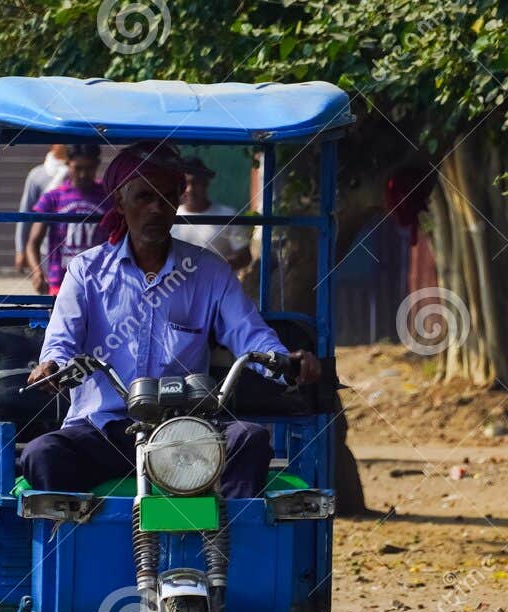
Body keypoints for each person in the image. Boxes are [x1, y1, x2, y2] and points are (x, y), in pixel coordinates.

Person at [18, 142, 320, 499]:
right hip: (103, 430)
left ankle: (230, 548)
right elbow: (61, 340)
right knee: (42, 455)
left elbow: (250, 335)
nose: (156, 209)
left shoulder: (209, 272)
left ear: (179, 199)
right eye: (143, 197)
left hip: (188, 435)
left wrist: (286, 360)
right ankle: (70, 551)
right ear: (119, 201)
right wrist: (52, 365)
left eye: (166, 197)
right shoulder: (86, 271)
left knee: (249, 440)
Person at [23, 143, 107, 296]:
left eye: (89, 168)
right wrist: (37, 273)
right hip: (61, 285)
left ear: (97, 165)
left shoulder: (109, 197)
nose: (83, 174)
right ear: (68, 164)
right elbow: (33, 242)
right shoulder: (52, 198)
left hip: (100, 284)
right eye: (78, 168)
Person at [172, 159, 253, 270]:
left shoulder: (228, 216)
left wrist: (215, 267)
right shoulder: (170, 216)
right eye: (185, 184)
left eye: (195, 183)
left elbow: (244, 256)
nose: (190, 189)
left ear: (205, 183)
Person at [15, 143, 69, 274]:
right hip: (45, 249)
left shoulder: (79, 172)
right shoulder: (37, 175)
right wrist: (21, 249)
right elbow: (26, 212)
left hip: (74, 247)